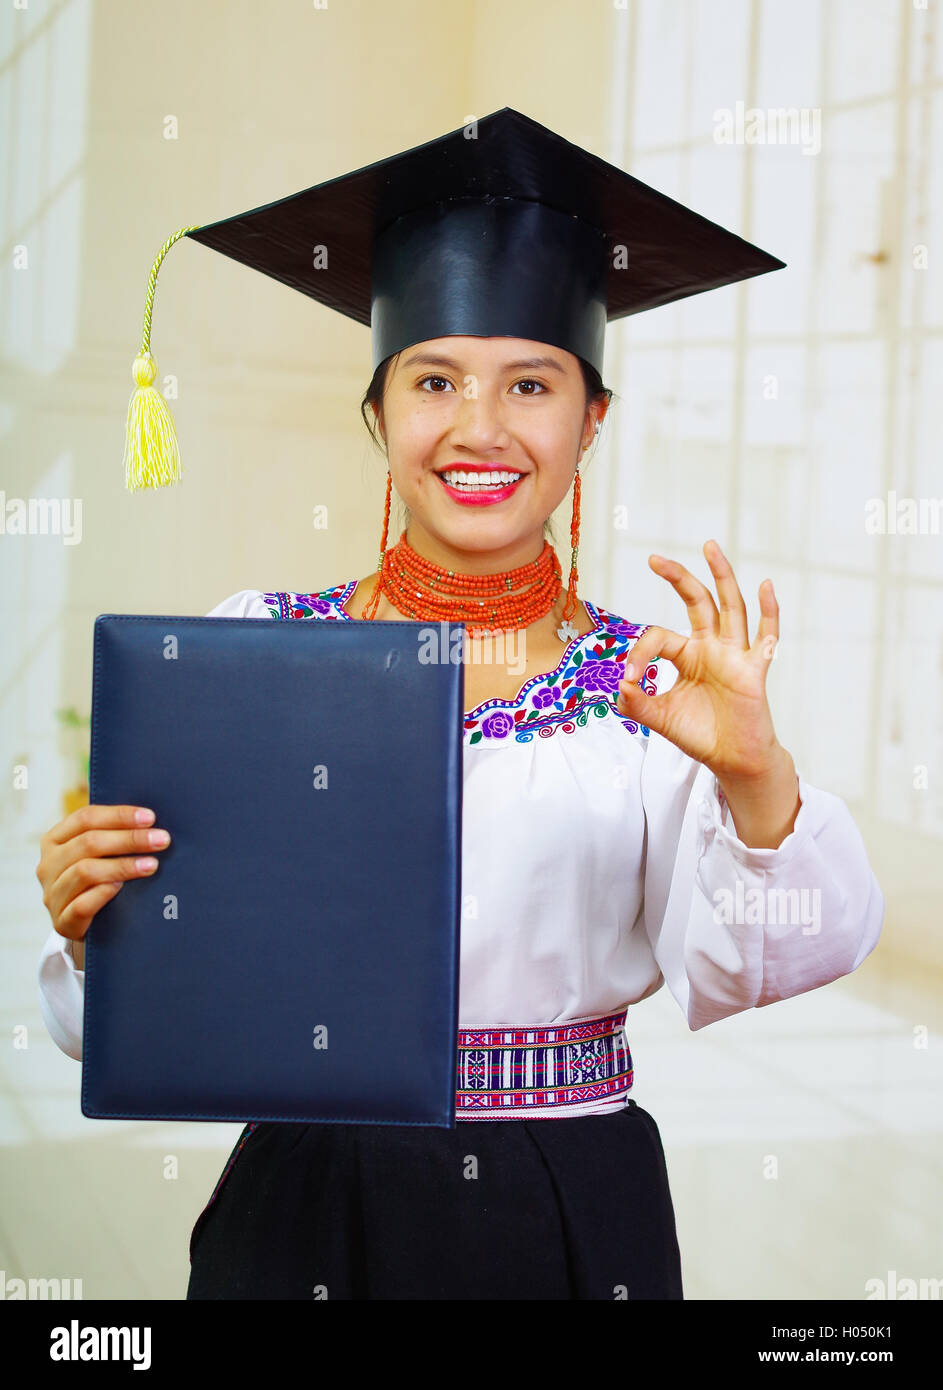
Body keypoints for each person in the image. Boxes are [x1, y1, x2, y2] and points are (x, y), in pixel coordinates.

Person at [35, 109, 884, 1300]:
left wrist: (755, 775)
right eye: (434, 379)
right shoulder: (253, 651)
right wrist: (95, 925)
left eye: (530, 384)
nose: (479, 429)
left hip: (567, 1198)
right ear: (379, 413)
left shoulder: (656, 689)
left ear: (591, 420)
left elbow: (761, 963)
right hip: (308, 1193)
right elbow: (133, 1015)